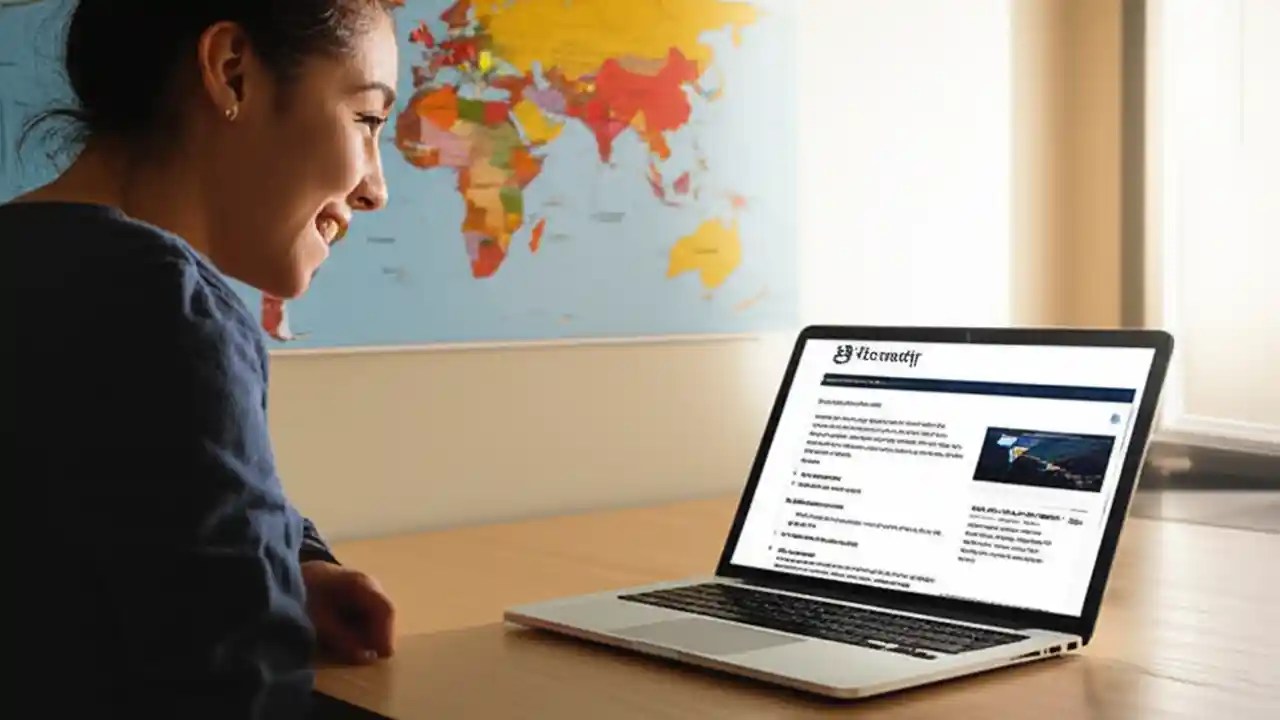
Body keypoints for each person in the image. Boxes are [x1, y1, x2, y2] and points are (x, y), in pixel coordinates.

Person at [2, 1, 402, 717]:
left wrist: (294, 562)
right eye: (367, 121)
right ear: (233, 73)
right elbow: (240, 691)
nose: (376, 188)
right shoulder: (168, 310)